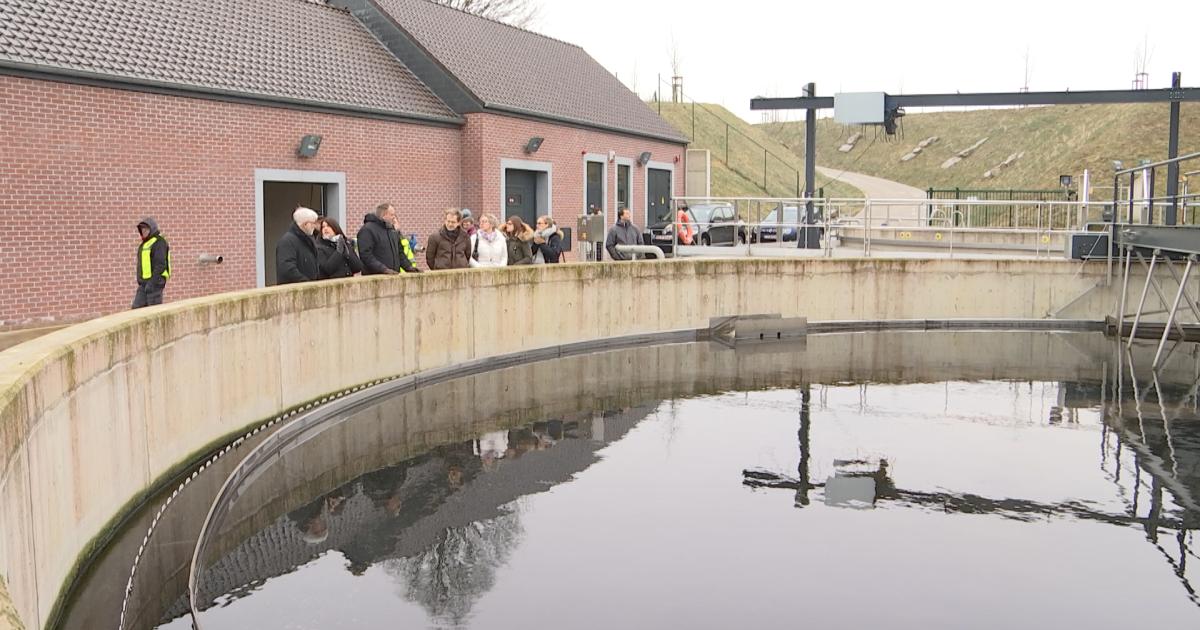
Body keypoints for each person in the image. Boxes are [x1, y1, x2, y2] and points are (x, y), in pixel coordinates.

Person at [358, 203, 418, 275]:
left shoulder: (391, 230)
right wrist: (383, 269)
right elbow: (366, 255)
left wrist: (409, 267)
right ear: (384, 215)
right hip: (376, 278)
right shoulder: (367, 230)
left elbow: (399, 252)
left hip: (393, 276)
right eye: (392, 215)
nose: (394, 217)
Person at [132, 217, 170, 308]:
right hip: (144, 284)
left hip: (155, 283)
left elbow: (161, 265)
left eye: (146, 229)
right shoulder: (145, 243)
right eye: (142, 229)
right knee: (136, 309)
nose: (143, 231)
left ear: (152, 229)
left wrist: (152, 283)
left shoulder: (159, 242)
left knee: (153, 311)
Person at [276, 207, 321, 284]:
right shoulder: (287, 242)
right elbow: (287, 269)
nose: (314, 226)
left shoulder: (308, 240)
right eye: (313, 223)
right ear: (305, 224)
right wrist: (306, 283)